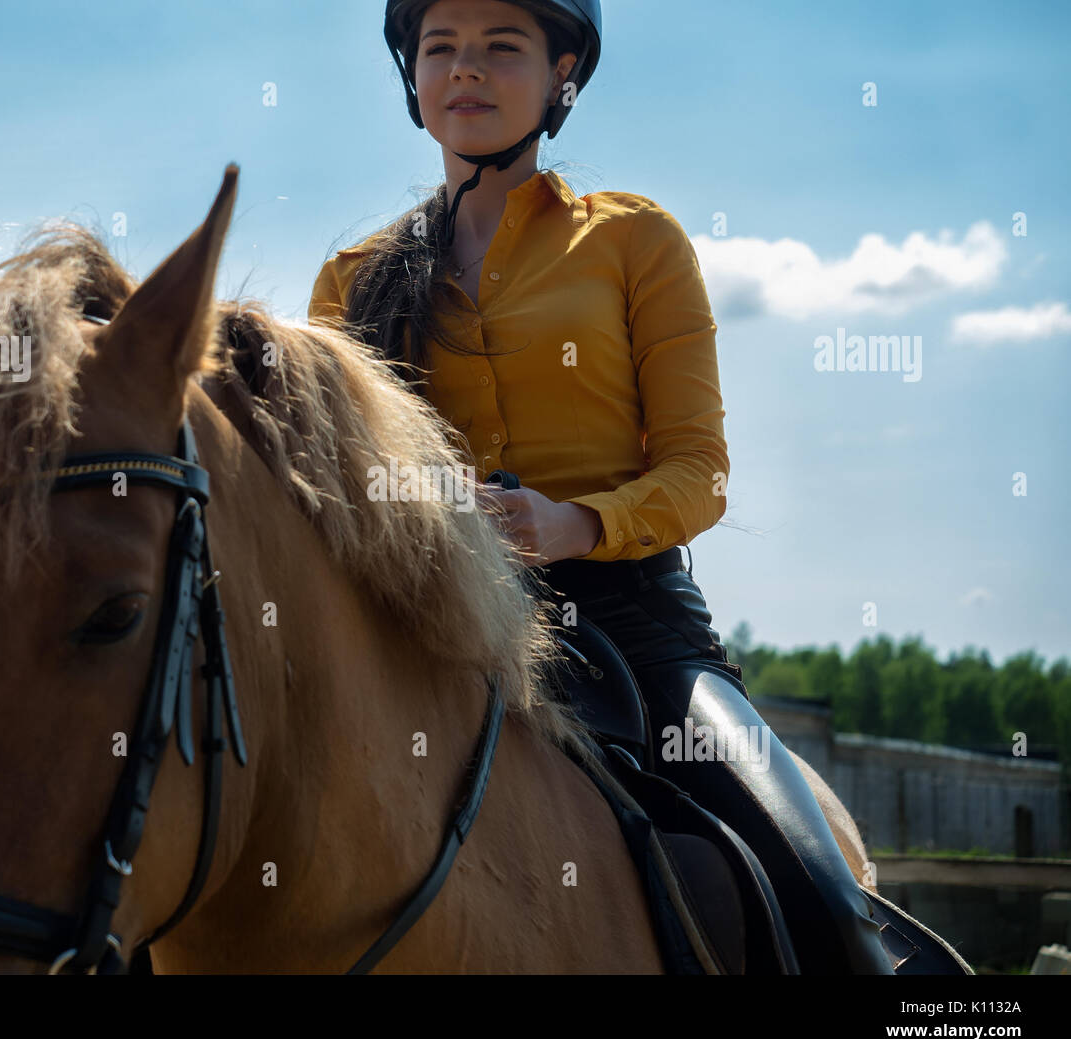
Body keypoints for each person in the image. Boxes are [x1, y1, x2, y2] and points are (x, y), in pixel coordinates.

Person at [307, 0, 894, 974]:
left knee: (818, 885)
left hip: (633, 627)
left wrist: (571, 524)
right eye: (439, 49)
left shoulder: (634, 242)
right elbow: (333, 481)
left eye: (502, 48)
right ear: (411, 79)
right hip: (421, 629)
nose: (466, 71)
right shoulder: (349, 279)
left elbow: (697, 473)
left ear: (562, 76)